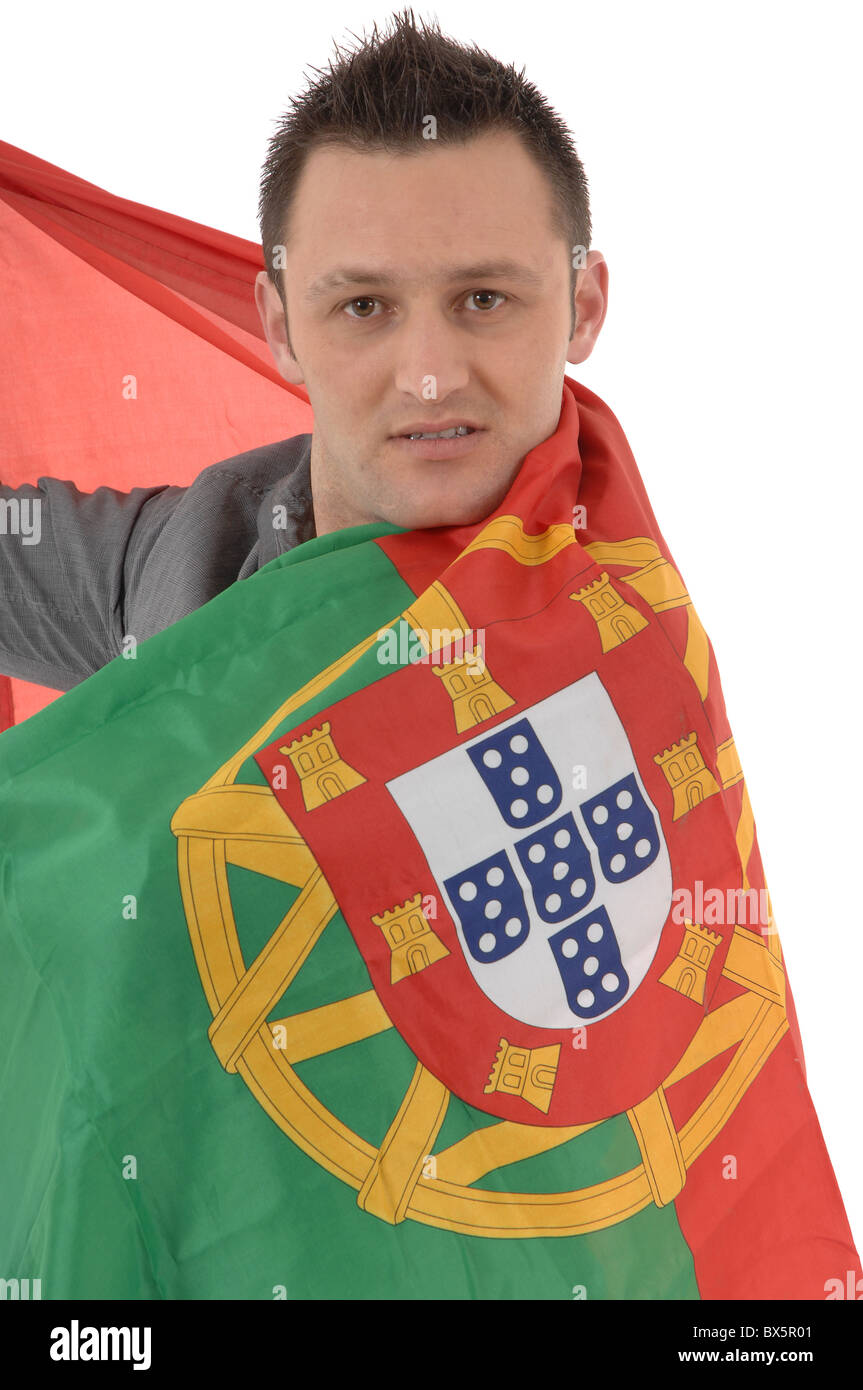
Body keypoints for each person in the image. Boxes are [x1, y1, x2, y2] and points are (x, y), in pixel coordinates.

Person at [0, 7, 605, 693]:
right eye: (364, 307)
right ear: (281, 331)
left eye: (484, 299)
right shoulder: (183, 566)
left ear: (581, 310)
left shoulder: (637, 607)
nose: (429, 377)